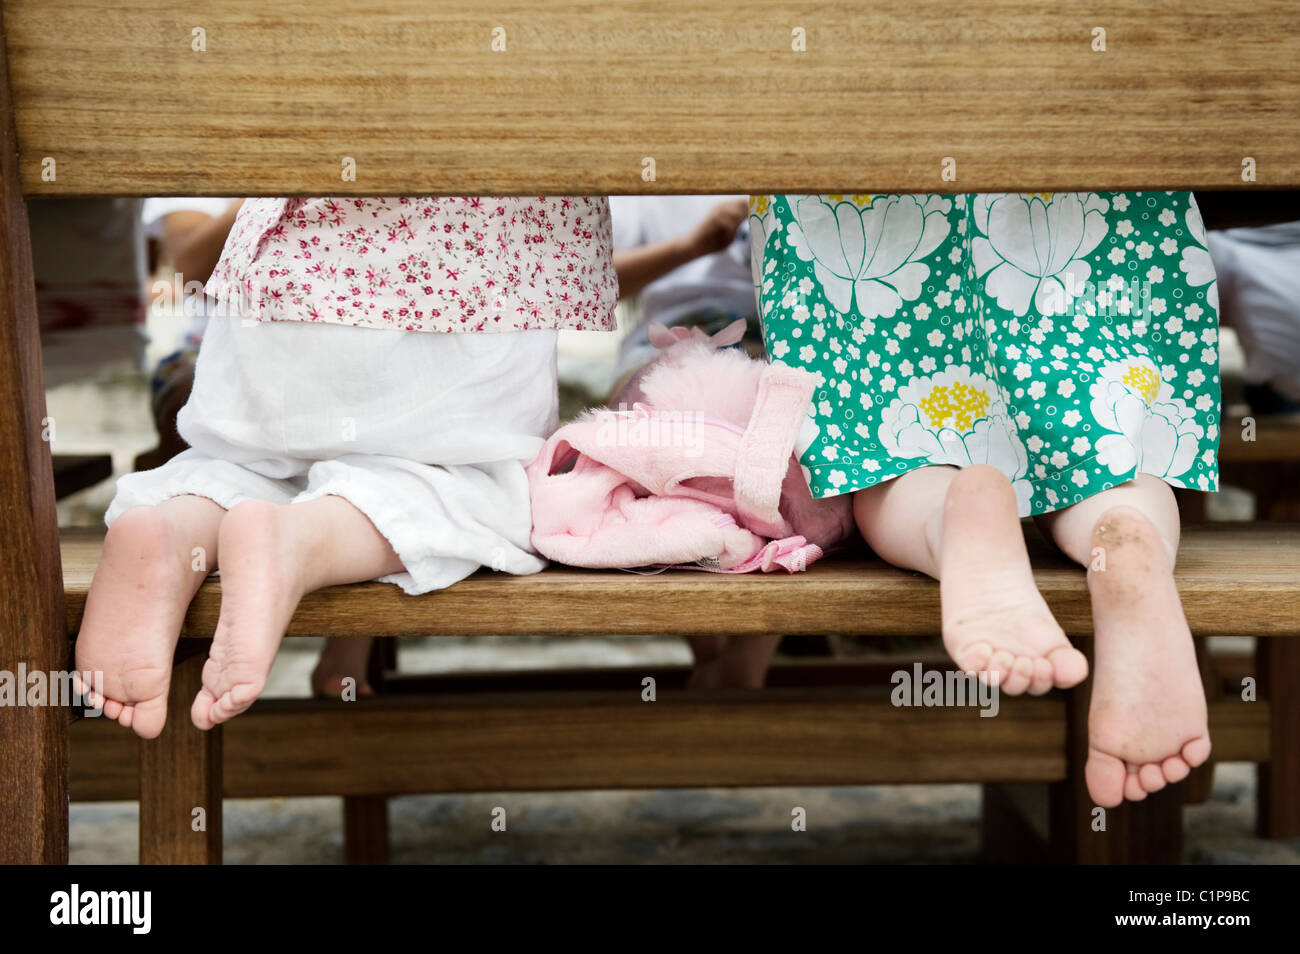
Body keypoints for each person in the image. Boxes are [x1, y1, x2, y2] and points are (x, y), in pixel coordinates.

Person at [74, 196, 618, 738]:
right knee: (476, 487)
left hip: (280, 284)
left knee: (248, 469)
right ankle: (294, 542)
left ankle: (175, 526)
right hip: (463, 288)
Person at [753, 192, 1220, 807]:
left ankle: (954, 515)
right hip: (1076, 198)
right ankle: (1125, 532)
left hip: (870, 208)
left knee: (892, 455)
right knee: (1109, 449)